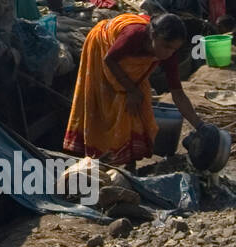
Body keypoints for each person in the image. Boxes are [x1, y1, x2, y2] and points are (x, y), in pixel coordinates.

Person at [63, 11, 203, 165]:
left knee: (138, 106)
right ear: (153, 35)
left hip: (123, 62)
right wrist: (131, 89)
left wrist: (199, 125)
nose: (168, 53)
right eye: (166, 46)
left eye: (173, 49)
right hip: (103, 48)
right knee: (107, 104)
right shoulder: (133, 37)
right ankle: (102, 158)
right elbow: (109, 59)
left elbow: (177, 92)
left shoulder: (169, 54)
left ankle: (130, 162)